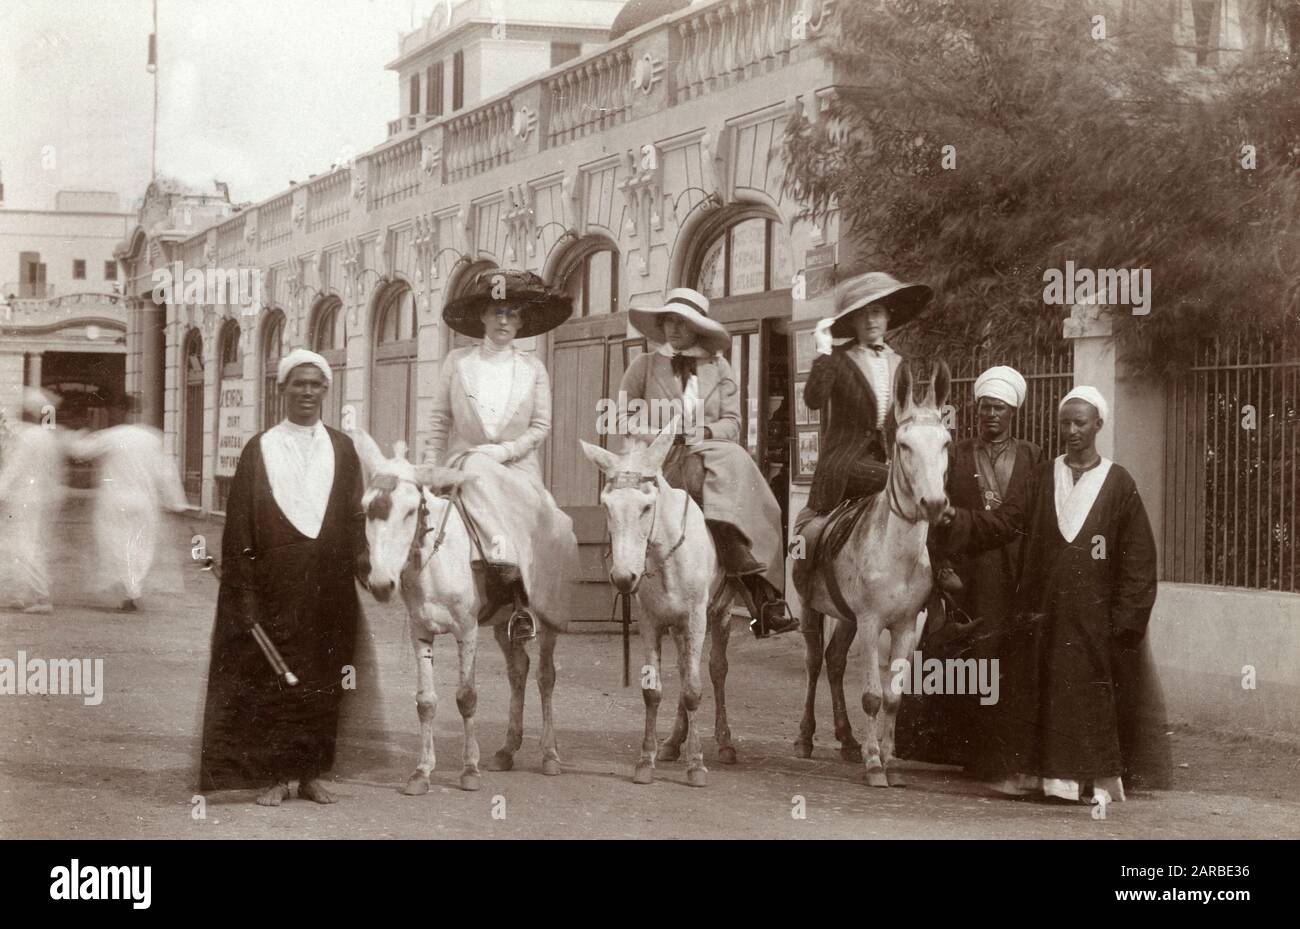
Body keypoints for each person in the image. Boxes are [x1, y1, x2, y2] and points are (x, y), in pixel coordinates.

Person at [936, 386, 1165, 803]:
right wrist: (956, 518)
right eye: (1065, 422)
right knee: (1038, 691)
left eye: (1081, 422)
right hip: (1040, 611)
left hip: (1090, 618)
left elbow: (1138, 561)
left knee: (1082, 694)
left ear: (1098, 424)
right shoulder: (1041, 475)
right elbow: (1004, 523)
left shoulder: (1118, 483)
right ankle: (1040, 779)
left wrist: (1126, 619)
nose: (1072, 430)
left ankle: (1084, 782)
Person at [199, 348, 366, 806]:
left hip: (329, 586)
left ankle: (311, 773)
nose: (307, 392)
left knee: (324, 676)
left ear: (326, 391)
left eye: (315, 384)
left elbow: (354, 517)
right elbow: (240, 530)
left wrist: (366, 564)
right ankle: (274, 776)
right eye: (299, 383)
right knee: (274, 676)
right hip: (275, 583)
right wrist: (243, 593)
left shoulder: (343, 448)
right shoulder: (261, 448)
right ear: (283, 389)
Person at [619, 287, 797, 638]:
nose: (674, 329)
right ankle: (629, 567)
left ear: (698, 328)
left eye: (682, 323)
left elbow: (733, 423)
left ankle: (761, 593)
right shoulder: (643, 366)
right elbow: (621, 417)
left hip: (708, 449)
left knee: (748, 487)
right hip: (661, 455)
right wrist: (660, 430)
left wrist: (703, 430)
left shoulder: (720, 367)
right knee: (630, 503)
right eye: (668, 321)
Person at [423, 269, 579, 643]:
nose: (504, 320)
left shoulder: (532, 368)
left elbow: (540, 426)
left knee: (555, 526)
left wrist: (504, 450)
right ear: (482, 317)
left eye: (511, 313)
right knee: (457, 485)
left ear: (522, 319)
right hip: (466, 465)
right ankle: (441, 595)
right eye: (496, 313)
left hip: (517, 470)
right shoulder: (457, 363)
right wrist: (430, 469)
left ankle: (522, 599)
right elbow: (439, 420)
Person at [794, 272, 958, 594]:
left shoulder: (902, 362)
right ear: (852, 321)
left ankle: (934, 573)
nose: (871, 320)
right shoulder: (839, 360)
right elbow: (813, 399)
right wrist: (825, 352)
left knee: (930, 487)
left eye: (878, 311)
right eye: (863, 313)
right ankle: (815, 582)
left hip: (889, 461)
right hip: (845, 463)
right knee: (914, 489)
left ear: (888, 317)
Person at [943, 365, 1042, 623]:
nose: (991, 414)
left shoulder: (1031, 455)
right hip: (968, 567)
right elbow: (941, 512)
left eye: (999, 407)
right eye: (985, 406)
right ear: (977, 410)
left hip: (1014, 566)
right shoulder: (957, 453)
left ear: (1013, 411)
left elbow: (1039, 516)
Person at [68, 422, 189, 611]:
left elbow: (80, 451)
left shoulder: (111, 435)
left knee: (115, 543)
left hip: (114, 501)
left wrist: (75, 435)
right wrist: (177, 504)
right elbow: (166, 473)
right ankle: (133, 589)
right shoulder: (153, 438)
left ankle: (125, 585)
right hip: (144, 502)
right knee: (141, 546)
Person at [0, 388, 65, 614]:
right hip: (41, 498)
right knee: (20, 545)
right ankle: (18, 594)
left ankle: (41, 597)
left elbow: (13, 468)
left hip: (23, 498)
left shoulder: (26, 437)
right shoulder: (47, 436)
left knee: (25, 546)